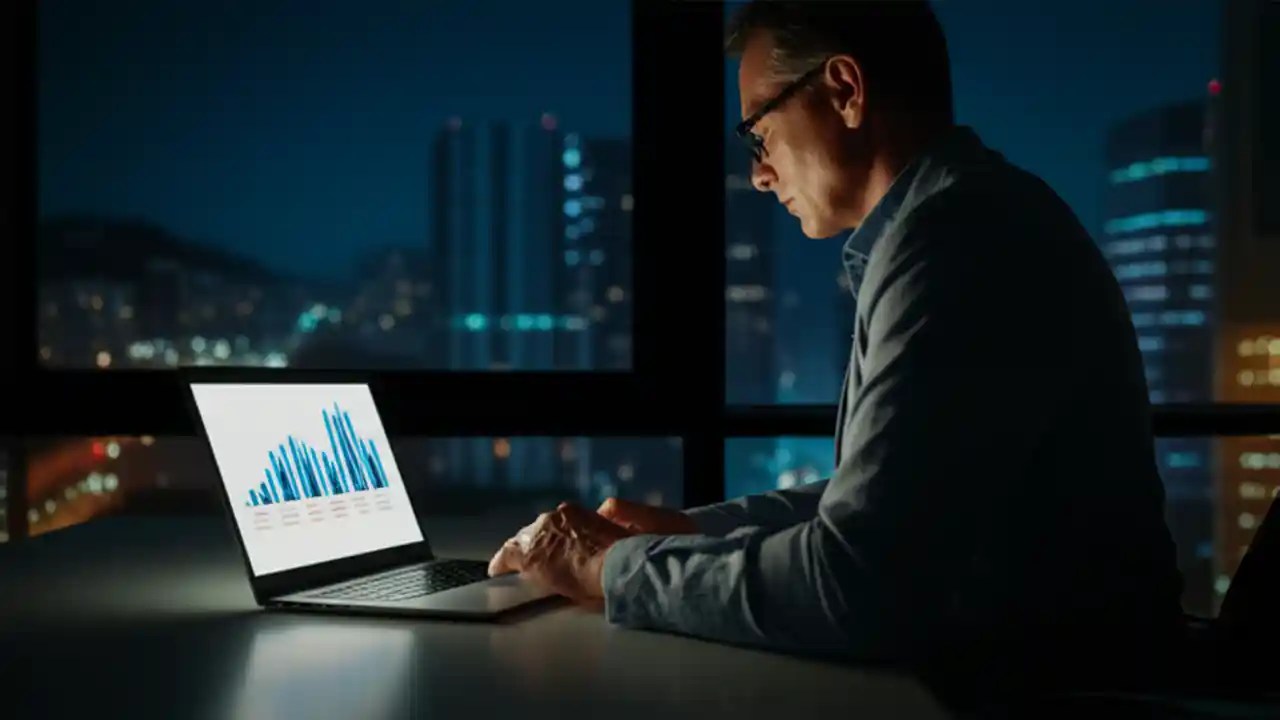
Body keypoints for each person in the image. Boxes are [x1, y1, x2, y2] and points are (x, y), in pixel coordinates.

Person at [488, 0, 1188, 703]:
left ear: (845, 91)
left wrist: (613, 570)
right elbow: (886, 504)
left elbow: (857, 579)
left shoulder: (955, 244)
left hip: (1054, 696)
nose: (760, 173)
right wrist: (691, 530)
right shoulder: (958, 221)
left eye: (759, 132)